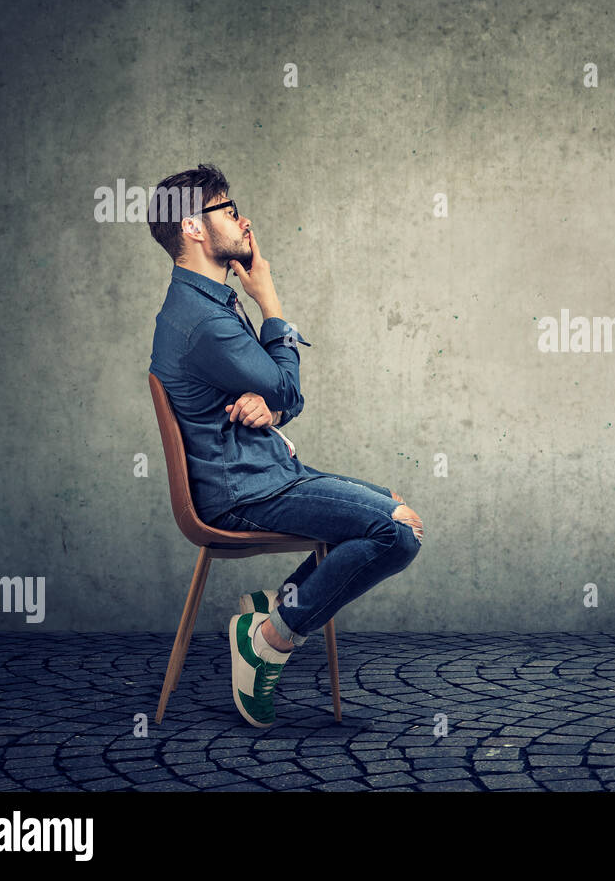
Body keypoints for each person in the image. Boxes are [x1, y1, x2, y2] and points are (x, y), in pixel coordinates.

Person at [147, 163, 423, 728]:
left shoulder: (208, 303)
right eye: (226, 208)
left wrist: (272, 404)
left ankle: (275, 612)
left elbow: (285, 399)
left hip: (265, 470)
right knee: (399, 531)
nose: (242, 219)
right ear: (194, 228)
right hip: (246, 491)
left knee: (393, 505)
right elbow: (292, 385)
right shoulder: (204, 320)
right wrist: (269, 297)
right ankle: (271, 638)